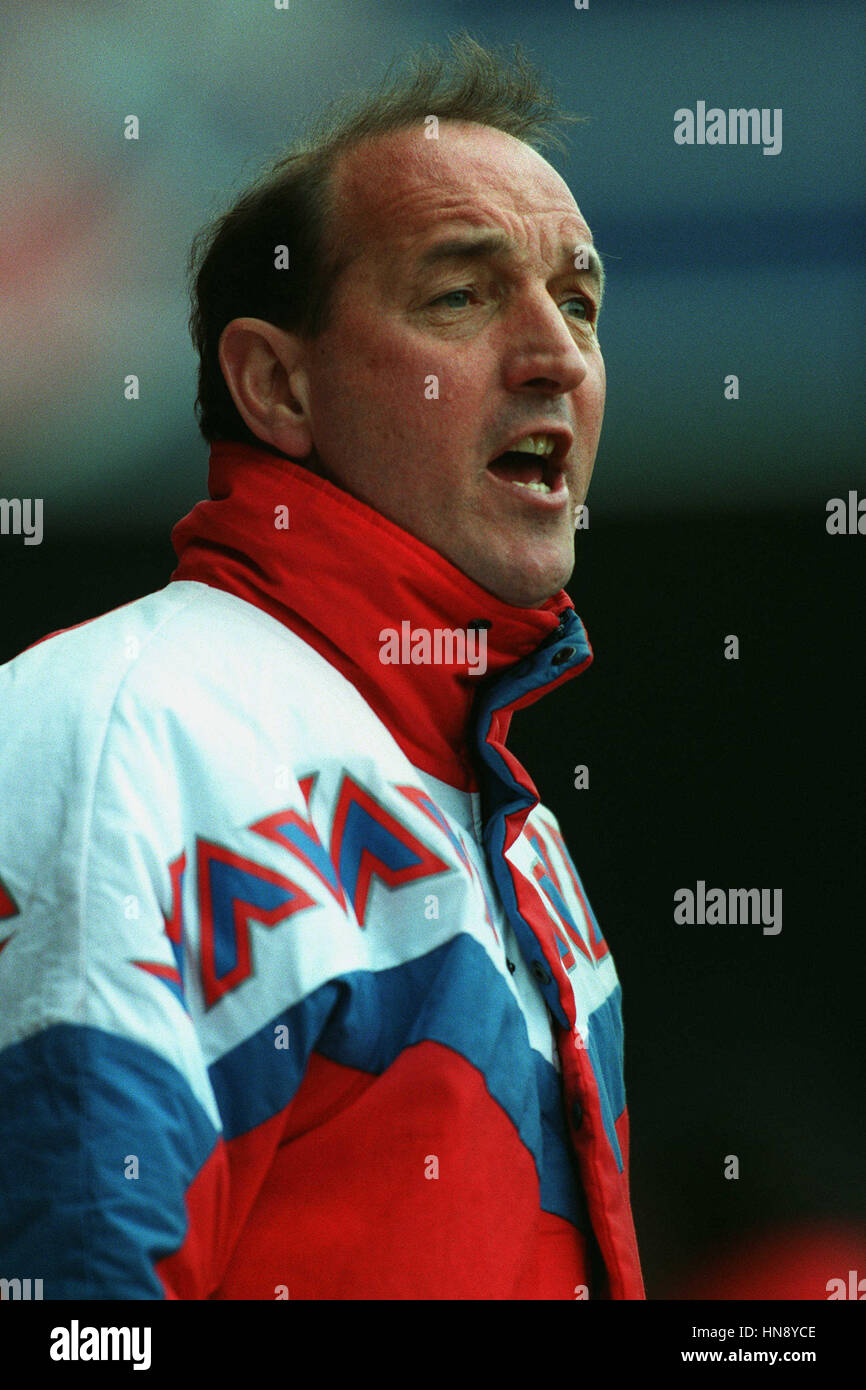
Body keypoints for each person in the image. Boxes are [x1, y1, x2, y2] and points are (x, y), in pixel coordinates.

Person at [0, 35, 644, 1300]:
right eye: (459, 295)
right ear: (277, 384)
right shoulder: (122, 731)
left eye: (576, 301)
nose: (554, 353)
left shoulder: (515, 832)